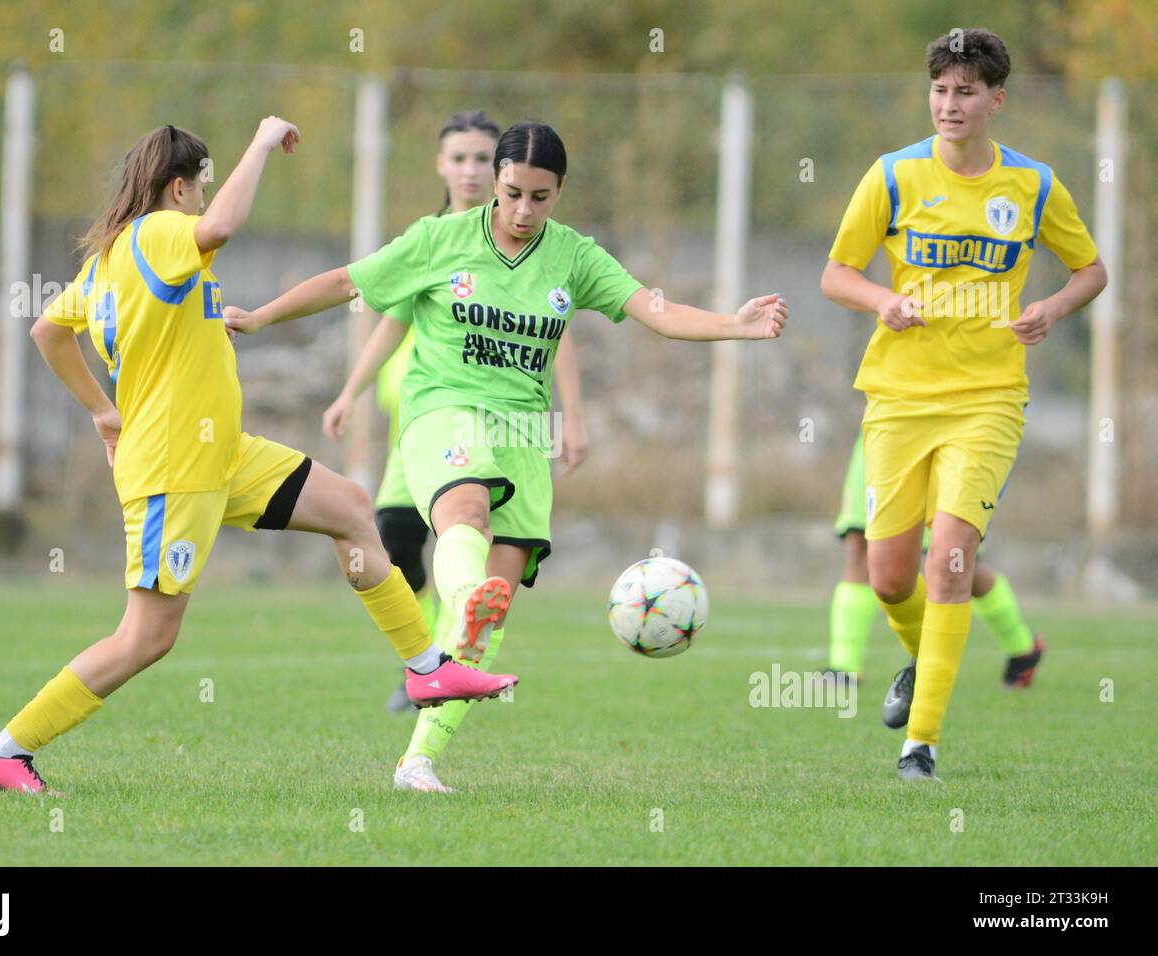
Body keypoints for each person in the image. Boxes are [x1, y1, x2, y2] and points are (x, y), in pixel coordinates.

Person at [224, 121, 787, 791]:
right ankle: (466, 600)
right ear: (494, 181)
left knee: (488, 626)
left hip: (524, 437)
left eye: (540, 198)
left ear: (560, 193)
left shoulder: (574, 258)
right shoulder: (440, 240)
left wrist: (736, 323)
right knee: (464, 510)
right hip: (443, 411)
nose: (523, 212)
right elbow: (348, 283)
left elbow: (655, 311)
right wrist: (260, 318)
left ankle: (418, 761)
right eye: (513, 193)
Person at [0, 117, 517, 795]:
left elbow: (49, 330)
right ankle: (6, 748)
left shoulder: (108, 260)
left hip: (221, 455)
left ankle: (426, 666)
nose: (205, 196)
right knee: (147, 637)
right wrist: (260, 143)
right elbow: (219, 228)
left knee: (349, 506)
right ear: (179, 187)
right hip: (174, 468)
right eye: (201, 183)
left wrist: (102, 411)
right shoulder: (161, 231)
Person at [821, 29, 1106, 780]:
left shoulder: (1034, 185)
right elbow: (836, 273)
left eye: (966, 92)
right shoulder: (891, 176)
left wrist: (1052, 307)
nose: (950, 104)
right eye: (941, 90)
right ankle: (922, 658)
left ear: (996, 101)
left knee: (950, 560)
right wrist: (883, 301)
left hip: (988, 401)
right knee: (888, 576)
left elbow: (1091, 270)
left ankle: (921, 744)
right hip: (898, 400)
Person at [318, 110, 591, 722]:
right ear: (444, 166)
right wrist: (351, 391)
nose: (470, 170)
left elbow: (558, 330)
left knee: (464, 530)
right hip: (426, 414)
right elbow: (388, 314)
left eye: (479, 157)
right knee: (393, 547)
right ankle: (427, 659)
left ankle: (437, 663)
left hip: (496, 418)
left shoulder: (542, 250)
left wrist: (572, 414)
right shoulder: (436, 237)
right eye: (460, 158)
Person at [825, 432, 1045, 695]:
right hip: (885, 426)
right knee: (860, 537)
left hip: (948, 431)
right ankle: (845, 667)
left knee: (954, 560)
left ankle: (1022, 647)